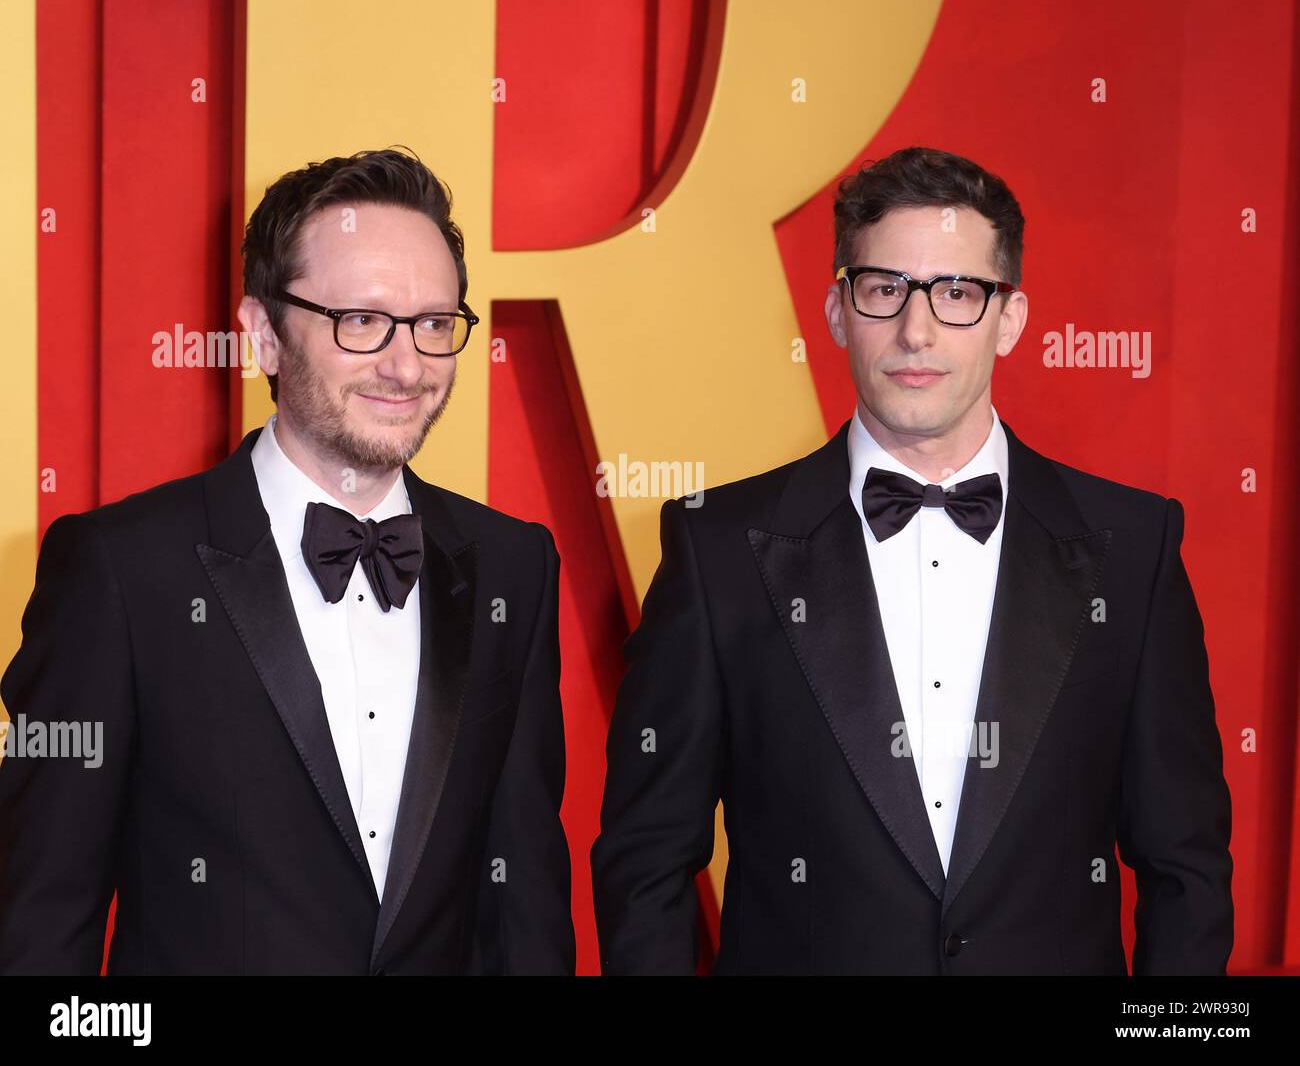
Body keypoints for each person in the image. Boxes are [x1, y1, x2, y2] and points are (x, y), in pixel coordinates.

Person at [591, 146, 1233, 975]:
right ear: (836, 310)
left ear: (1010, 317)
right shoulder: (717, 549)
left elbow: (1187, 869)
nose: (916, 330)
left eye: (957, 292)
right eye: (884, 288)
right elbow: (645, 864)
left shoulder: (1134, 548)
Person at [0, 147, 575, 975]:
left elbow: (524, 907)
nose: (407, 365)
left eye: (434, 324)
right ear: (263, 335)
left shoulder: (514, 569)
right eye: (361, 321)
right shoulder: (122, 573)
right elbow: (42, 922)